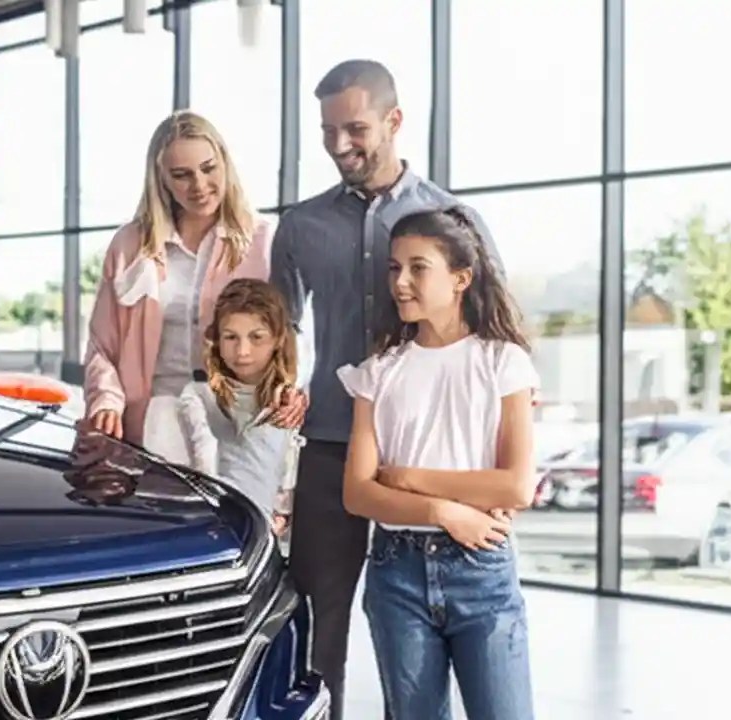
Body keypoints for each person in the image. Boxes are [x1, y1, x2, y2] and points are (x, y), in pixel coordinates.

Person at [268, 59, 503, 715]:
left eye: (356, 128)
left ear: (394, 120)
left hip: (435, 461)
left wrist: (503, 456)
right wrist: (278, 383)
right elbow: (277, 328)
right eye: (327, 131)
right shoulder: (300, 226)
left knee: (425, 631)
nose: (340, 145)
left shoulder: (453, 219)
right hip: (333, 447)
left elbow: (498, 341)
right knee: (317, 623)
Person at [340, 207, 537, 720]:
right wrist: (445, 512)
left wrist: (408, 479)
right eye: (393, 268)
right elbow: (358, 493)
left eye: (417, 267)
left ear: (460, 279)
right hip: (395, 572)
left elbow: (516, 486)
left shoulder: (503, 363)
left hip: (482, 569)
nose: (400, 282)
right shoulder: (377, 373)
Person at [83, 110, 283, 459]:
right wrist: (106, 401)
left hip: (236, 428)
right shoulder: (130, 245)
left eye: (209, 168)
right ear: (161, 180)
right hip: (149, 426)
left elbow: (287, 338)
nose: (199, 186)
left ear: (225, 163)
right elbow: (102, 345)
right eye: (182, 175)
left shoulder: (263, 242)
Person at [176, 278, 304, 529]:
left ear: (278, 339)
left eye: (256, 337)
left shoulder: (292, 404)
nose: (242, 351)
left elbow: (291, 482)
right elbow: (203, 463)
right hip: (214, 530)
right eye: (231, 337)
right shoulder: (198, 397)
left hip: (271, 543)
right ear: (216, 340)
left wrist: (283, 517)